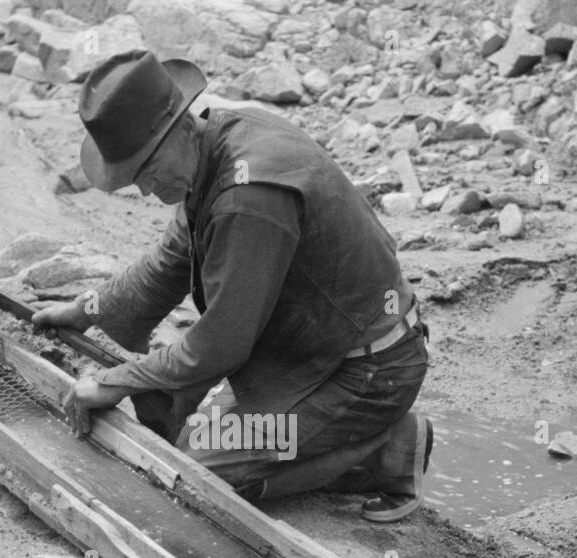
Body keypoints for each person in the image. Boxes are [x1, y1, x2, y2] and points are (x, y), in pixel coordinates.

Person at [32, 49, 433, 522]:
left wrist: (113, 380)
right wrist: (88, 308)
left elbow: (221, 342)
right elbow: (171, 259)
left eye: (145, 171)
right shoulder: (214, 144)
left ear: (180, 128)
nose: (143, 190)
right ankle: (332, 434)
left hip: (366, 373)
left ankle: (387, 444)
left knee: (197, 473)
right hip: (304, 356)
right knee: (177, 414)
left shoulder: (248, 196)